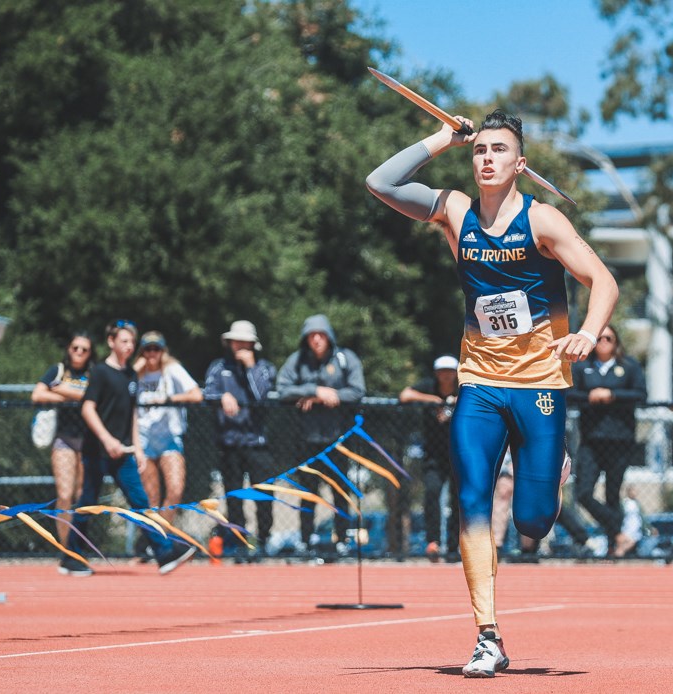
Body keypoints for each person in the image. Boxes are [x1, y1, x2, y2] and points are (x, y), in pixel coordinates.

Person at [367, 109, 618, 677]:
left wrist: (586, 332)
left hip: (540, 382)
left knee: (532, 523)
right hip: (478, 380)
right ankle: (487, 634)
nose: (486, 158)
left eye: (498, 150)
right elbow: (380, 183)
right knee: (473, 500)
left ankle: (550, 470)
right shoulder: (455, 211)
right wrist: (444, 137)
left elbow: (603, 281)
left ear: (519, 163)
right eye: (479, 149)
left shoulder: (543, 221)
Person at [61, 320, 196, 577]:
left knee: (140, 501)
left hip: (123, 453)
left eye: (131, 342)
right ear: (111, 342)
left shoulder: (131, 375)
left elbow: (132, 414)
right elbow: (88, 409)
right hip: (97, 451)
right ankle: (71, 557)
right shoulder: (101, 372)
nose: (129, 346)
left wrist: (138, 448)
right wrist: (107, 439)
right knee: (87, 501)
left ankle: (164, 553)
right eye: (124, 341)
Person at [276, 313, 366, 556]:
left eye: (321, 335)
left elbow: (358, 391)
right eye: (311, 335)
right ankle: (306, 540)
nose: (316, 339)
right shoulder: (297, 361)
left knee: (340, 492)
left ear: (329, 337)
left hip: (338, 439)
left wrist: (334, 395)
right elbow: (282, 389)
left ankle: (342, 540)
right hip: (307, 438)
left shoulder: (345, 359)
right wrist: (315, 390)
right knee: (307, 492)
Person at [567, 324, 646, 557]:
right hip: (591, 439)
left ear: (616, 342)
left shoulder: (628, 366)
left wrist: (612, 395)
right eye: (599, 338)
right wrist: (590, 396)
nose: (603, 342)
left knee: (613, 493)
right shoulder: (583, 367)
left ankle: (615, 546)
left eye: (608, 338)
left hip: (620, 439)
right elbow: (569, 394)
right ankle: (619, 531)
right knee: (583, 493)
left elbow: (641, 394)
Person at [204, 320, 278, 558]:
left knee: (264, 496)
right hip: (229, 443)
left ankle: (264, 541)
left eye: (244, 341)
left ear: (252, 344)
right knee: (234, 497)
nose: (239, 345)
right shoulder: (218, 367)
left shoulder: (264, 368)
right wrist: (223, 396)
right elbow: (206, 391)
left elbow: (261, 395)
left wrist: (250, 368)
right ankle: (238, 542)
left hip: (257, 443)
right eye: (236, 341)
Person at [133, 331, 202, 535]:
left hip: (169, 438)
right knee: (151, 498)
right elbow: (118, 385)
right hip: (144, 438)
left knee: (175, 490)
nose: (152, 353)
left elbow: (196, 394)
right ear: (142, 351)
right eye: (147, 349)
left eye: (156, 349)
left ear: (163, 351)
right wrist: (134, 369)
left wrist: (168, 400)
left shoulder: (172, 369)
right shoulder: (136, 372)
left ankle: (161, 536)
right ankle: (153, 543)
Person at [31, 331, 96, 548]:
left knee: (82, 495)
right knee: (65, 494)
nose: (79, 352)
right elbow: (38, 394)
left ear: (90, 353)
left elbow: (99, 397)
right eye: (75, 348)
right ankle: (66, 547)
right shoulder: (58, 370)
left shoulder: (94, 373)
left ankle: (80, 544)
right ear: (69, 349)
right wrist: (72, 395)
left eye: (84, 349)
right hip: (64, 438)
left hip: (88, 440)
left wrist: (68, 392)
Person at [399, 355, 461, 561]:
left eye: (450, 371)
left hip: (459, 453)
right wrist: (435, 400)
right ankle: (433, 542)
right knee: (432, 493)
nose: (446, 375)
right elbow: (405, 395)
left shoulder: (463, 388)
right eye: (442, 371)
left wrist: (453, 403)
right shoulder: (429, 386)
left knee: (458, 500)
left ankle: (454, 547)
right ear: (436, 373)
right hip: (433, 455)